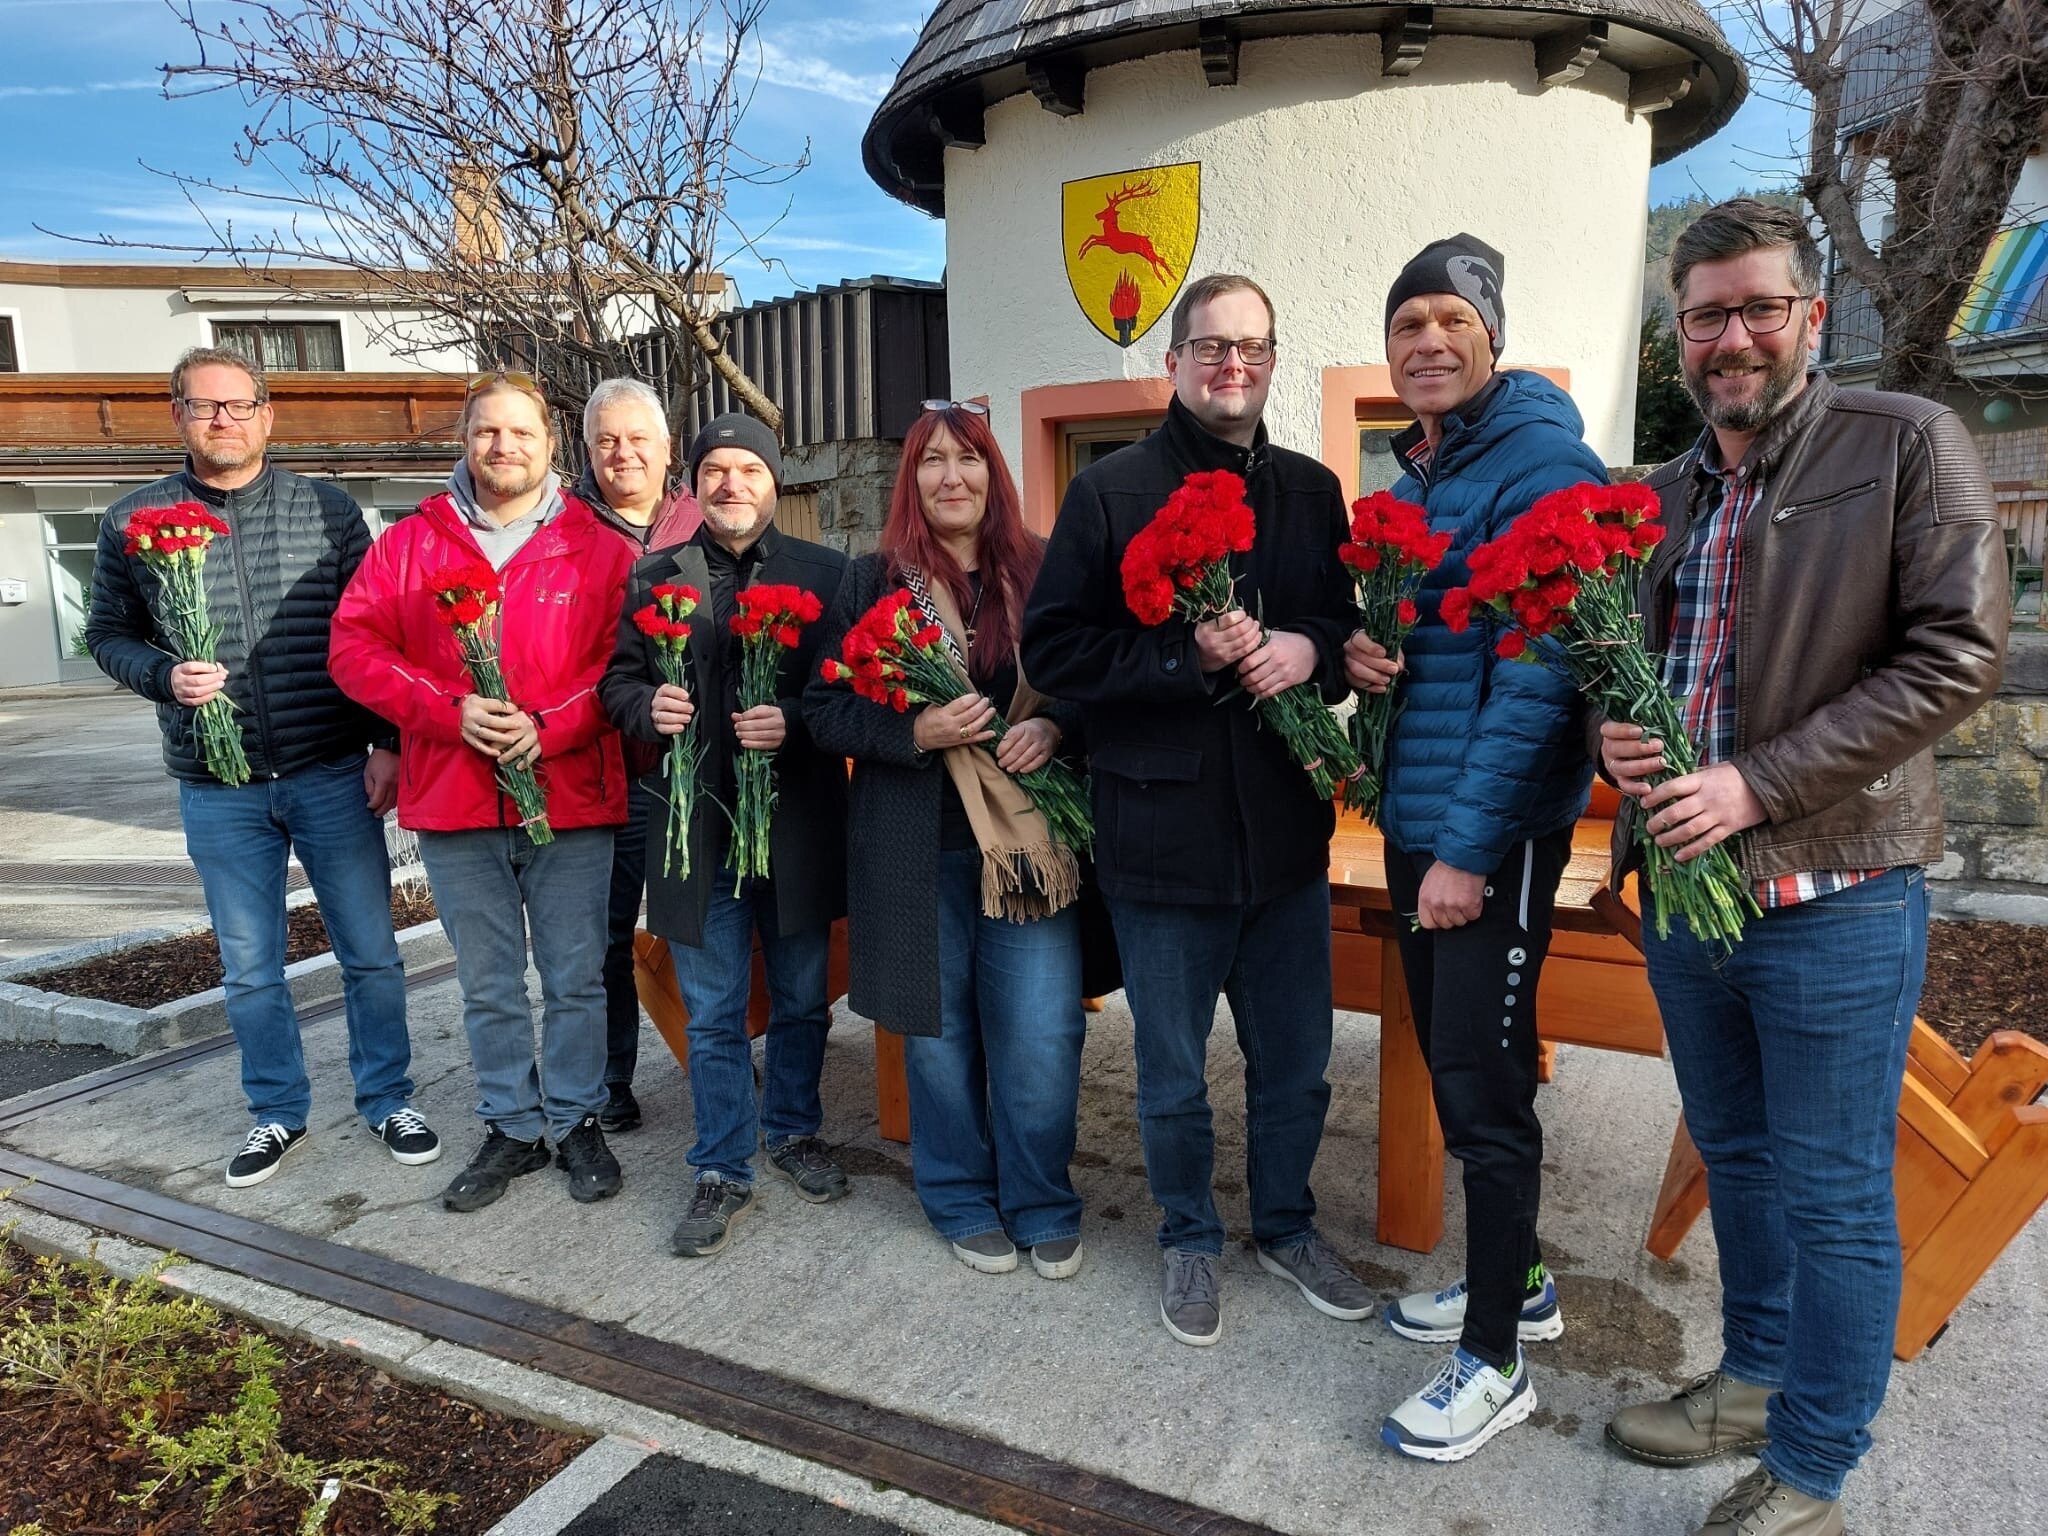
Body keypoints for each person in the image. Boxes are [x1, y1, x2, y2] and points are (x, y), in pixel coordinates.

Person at [1596, 199, 2005, 1536]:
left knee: (1834, 1194)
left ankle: (1817, 1468)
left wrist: (1755, 783)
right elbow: (1667, 667)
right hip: (1687, 895)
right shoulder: (1664, 490)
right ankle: (1755, 1378)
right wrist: (1622, 729)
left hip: (1830, 895)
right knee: (1736, 1153)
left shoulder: (1903, 445)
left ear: (1809, 317)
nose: (1729, 337)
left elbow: (1956, 653)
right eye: (1704, 312)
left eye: (1756, 308)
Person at [1022, 273, 1369, 1345]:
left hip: (1281, 831)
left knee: (1295, 1063)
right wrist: (1183, 654)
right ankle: (1185, 1236)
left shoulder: (1310, 492)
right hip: (1159, 836)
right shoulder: (1110, 491)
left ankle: (1285, 1225)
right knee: (1171, 1074)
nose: (1232, 367)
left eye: (1252, 349)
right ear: (1172, 362)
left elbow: (1335, 625)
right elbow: (1054, 650)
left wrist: (1310, 649)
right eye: (1211, 348)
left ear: (1271, 361)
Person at [1340, 235, 1605, 1462]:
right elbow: (1432, 656)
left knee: (1481, 1087)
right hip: (1419, 818)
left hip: (1480, 836)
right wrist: (1363, 662)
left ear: (1491, 334)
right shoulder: (1420, 476)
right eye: (1407, 326)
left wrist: (1467, 850)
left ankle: (1493, 1360)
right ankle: (1525, 1285)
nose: (1428, 341)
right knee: (1460, 1067)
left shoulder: (1540, 460)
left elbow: (1543, 677)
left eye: (1451, 319)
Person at [86, 345, 437, 1189]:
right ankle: (278, 1112)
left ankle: (387, 1094)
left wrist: (388, 742)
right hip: (218, 791)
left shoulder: (328, 510)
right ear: (178, 415)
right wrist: (162, 676)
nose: (223, 421)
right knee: (250, 968)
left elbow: (377, 632)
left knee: (372, 953)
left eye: (239, 406)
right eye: (205, 407)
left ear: (266, 415)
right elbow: (106, 635)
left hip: (330, 771)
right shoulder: (133, 520)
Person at [330, 371, 633, 1213]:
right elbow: (354, 648)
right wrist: (446, 710)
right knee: (489, 981)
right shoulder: (409, 544)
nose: (503, 448)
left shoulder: (596, 546)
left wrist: (552, 725)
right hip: (456, 798)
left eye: (521, 433)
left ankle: (576, 1118)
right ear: (464, 441)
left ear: (550, 445)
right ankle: (512, 1125)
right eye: (485, 433)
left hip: (569, 796)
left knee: (576, 975)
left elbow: (621, 668)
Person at [807, 401, 1094, 1279]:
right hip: (913, 849)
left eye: (966, 459)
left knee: (1041, 1034)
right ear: (912, 480)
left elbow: (1092, 684)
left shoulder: (1045, 572)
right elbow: (823, 710)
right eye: (931, 461)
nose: (950, 477)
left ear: (993, 474)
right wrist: (915, 733)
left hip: (1026, 850)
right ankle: (961, 1197)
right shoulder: (873, 580)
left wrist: (1056, 731)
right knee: (938, 1040)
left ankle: (1041, 1198)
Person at [599, 412, 850, 1258]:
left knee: (803, 998)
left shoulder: (829, 573)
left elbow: (850, 696)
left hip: (798, 828)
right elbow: (618, 685)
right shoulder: (653, 576)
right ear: (694, 484)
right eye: (716, 471)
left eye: (748, 469)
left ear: (774, 481)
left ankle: (793, 1131)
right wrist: (648, 707)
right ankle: (721, 1164)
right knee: (712, 1015)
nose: (732, 484)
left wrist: (799, 726)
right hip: (694, 833)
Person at [574, 377, 703, 1135]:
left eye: (637, 439)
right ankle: (610, 1077)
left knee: (703, 926)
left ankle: (714, 1047)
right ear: (588, 450)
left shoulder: (702, 521)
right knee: (609, 936)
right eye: (606, 440)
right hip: (604, 770)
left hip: (696, 772)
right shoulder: (561, 530)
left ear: (666, 450)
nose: (623, 454)